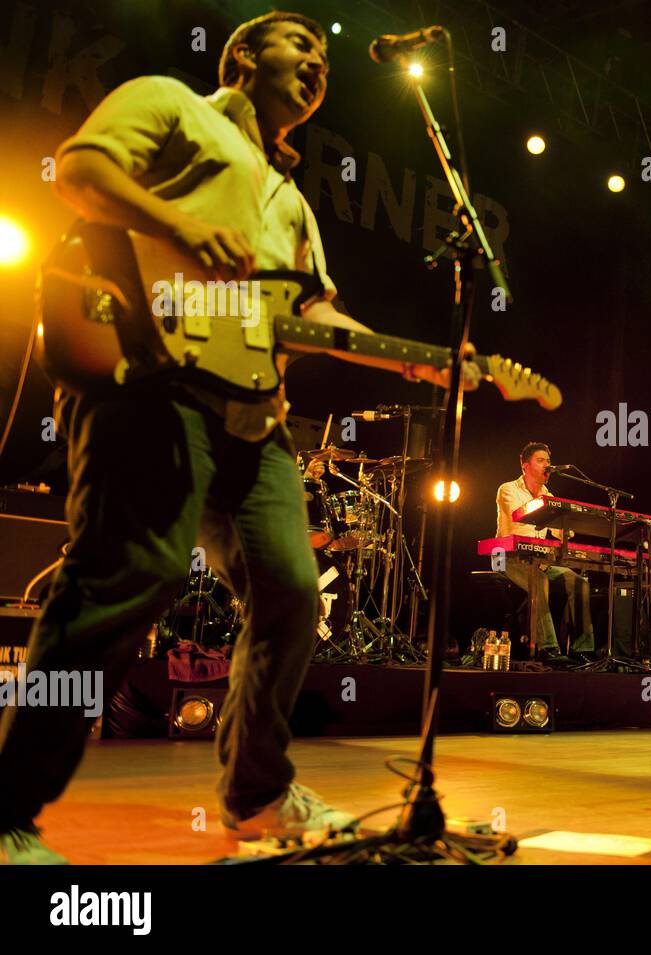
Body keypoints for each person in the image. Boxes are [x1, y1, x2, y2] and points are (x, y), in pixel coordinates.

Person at [0, 11, 478, 864]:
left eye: (327, 62)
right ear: (243, 55)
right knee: (127, 577)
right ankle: (6, 807)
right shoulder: (173, 106)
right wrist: (180, 227)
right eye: (304, 47)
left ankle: (257, 796)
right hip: (152, 376)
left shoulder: (291, 199)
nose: (319, 66)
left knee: (294, 592)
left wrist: (419, 361)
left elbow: (312, 312)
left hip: (256, 416)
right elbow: (80, 167)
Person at [494, 442, 596, 665]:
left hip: (537, 559)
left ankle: (583, 650)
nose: (547, 465)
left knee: (578, 582)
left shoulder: (547, 494)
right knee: (538, 579)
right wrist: (549, 510)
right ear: (525, 466)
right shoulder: (508, 489)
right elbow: (519, 519)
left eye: (548, 461)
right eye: (541, 461)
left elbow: (561, 531)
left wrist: (568, 526)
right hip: (504, 557)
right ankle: (548, 648)